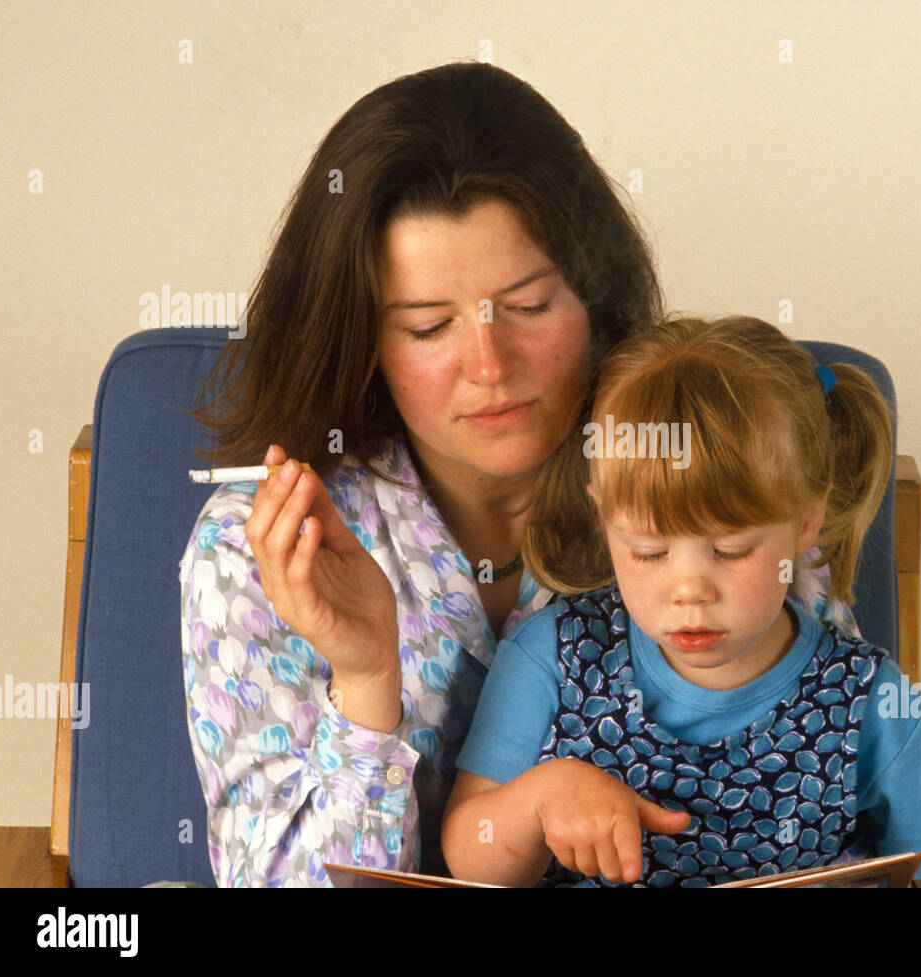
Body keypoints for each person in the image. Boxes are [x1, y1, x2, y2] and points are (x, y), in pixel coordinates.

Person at [179, 64, 856, 887]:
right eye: (430, 327)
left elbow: (836, 792)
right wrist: (364, 683)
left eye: (531, 307)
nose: (491, 366)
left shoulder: (706, 469)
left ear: (597, 302)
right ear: (363, 342)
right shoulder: (256, 551)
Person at [441, 315, 921, 887]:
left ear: (807, 519)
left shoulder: (869, 701)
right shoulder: (553, 657)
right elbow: (468, 854)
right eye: (648, 551)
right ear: (603, 518)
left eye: (732, 551)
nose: (690, 592)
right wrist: (540, 798)